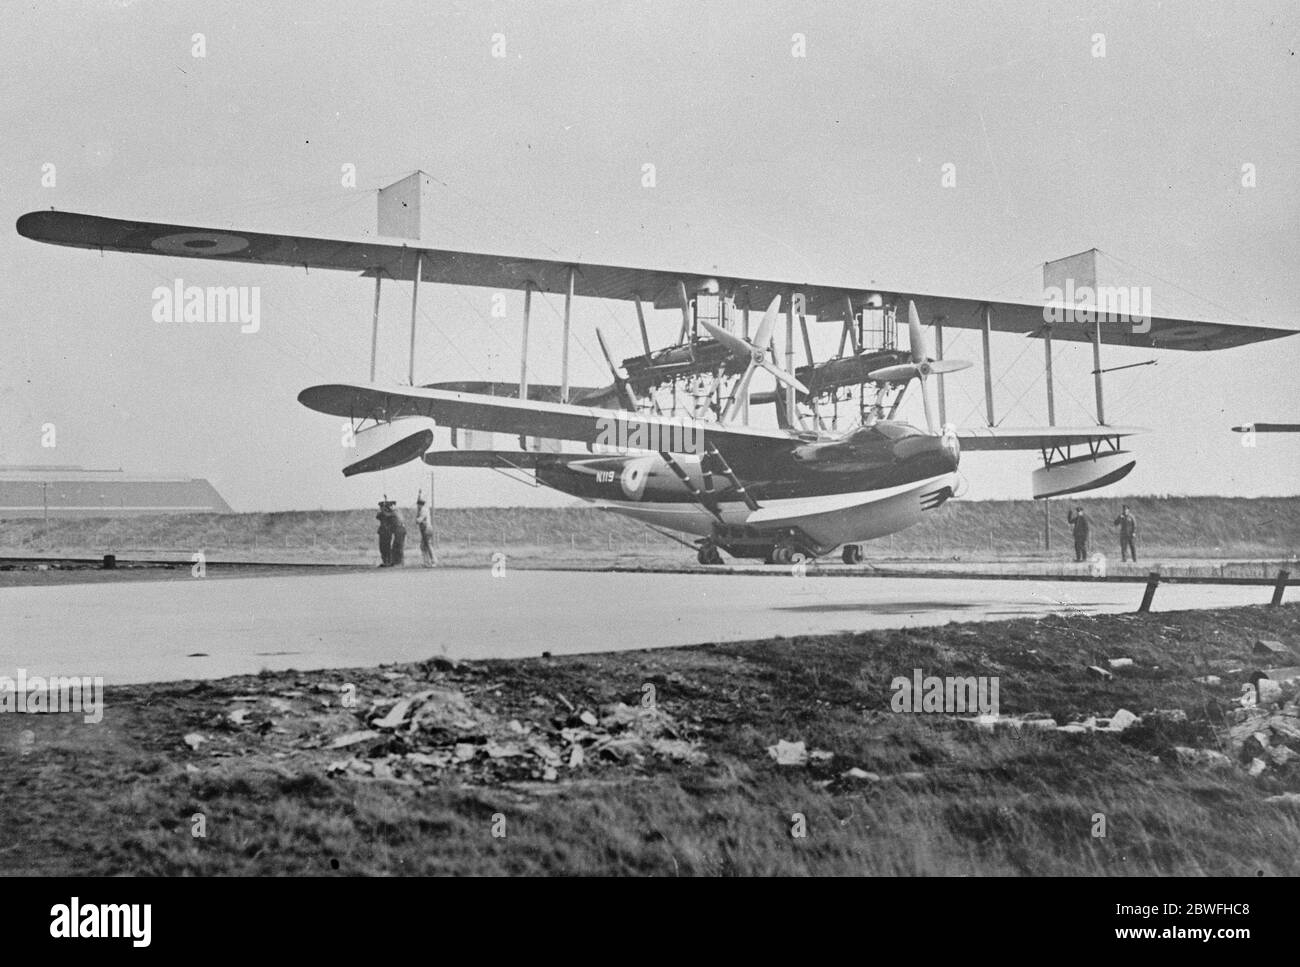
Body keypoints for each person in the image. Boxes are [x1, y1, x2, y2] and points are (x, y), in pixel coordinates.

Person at [415, 493, 436, 568]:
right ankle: (427, 562)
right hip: (426, 529)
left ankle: (433, 561)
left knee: (428, 545)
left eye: (418, 504)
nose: (417, 506)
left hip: (427, 529)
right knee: (423, 546)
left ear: (420, 504)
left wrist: (417, 519)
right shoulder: (423, 509)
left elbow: (419, 520)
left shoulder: (423, 510)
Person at [375, 499, 393, 566]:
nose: (381, 508)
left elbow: (387, 515)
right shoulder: (382, 514)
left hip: (387, 532)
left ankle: (389, 561)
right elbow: (377, 516)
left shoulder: (390, 513)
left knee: (387, 547)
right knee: (382, 548)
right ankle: (385, 561)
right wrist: (383, 510)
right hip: (382, 532)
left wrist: (385, 508)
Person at [388, 501, 406, 567]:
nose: (389, 508)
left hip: (399, 530)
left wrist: (384, 508)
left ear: (393, 505)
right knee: (396, 546)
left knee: (398, 546)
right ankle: (397, 562)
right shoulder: (398, 511)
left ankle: (400, 562)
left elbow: (387, 514)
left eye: (390, 506)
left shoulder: (395, 512)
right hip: (400, 530)